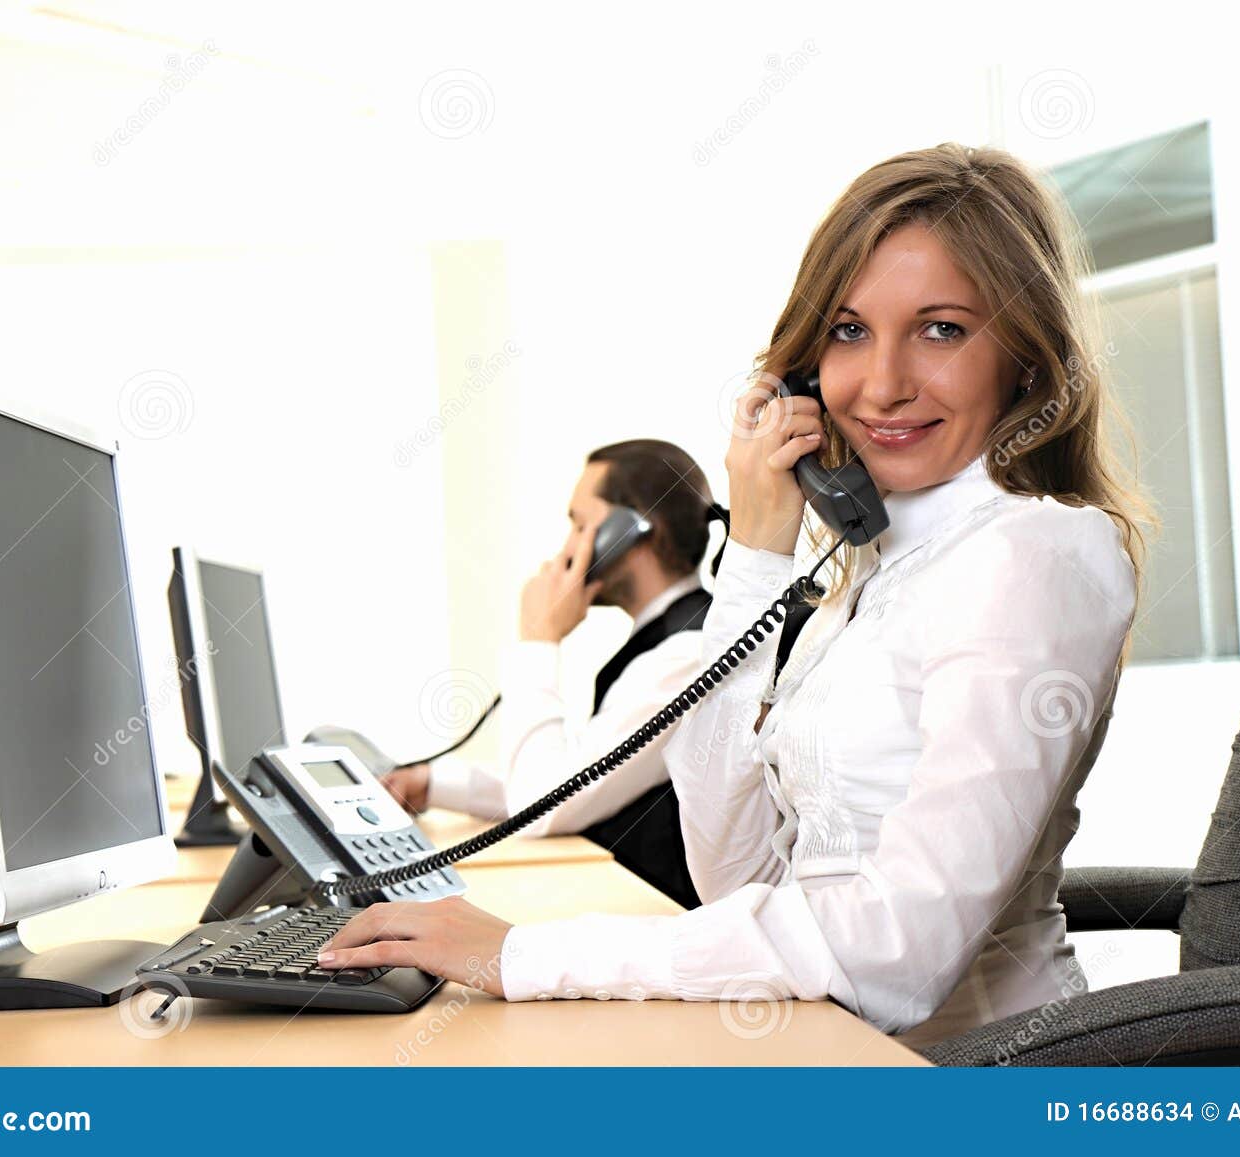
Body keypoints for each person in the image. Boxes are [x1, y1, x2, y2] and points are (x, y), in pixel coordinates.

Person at [317, 142, 1152, 1046]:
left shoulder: (1033, 555)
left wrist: (527, 956)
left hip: (978, 1071)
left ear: (1025, 359)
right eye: (848, 331)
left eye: (941, 329)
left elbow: (900, 954)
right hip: (817, 1047)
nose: (882, 383)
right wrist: (755, 550)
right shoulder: (866, 571)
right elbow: (736, 874)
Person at [381, 440, 728, 909]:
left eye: (580, 524)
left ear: (630, 531)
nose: (566, 547)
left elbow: (541, 805)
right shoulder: (669, 643)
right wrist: (434, 783)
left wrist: (538, 641)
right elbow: (571, 777)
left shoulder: (688, 655)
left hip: (667, 933)